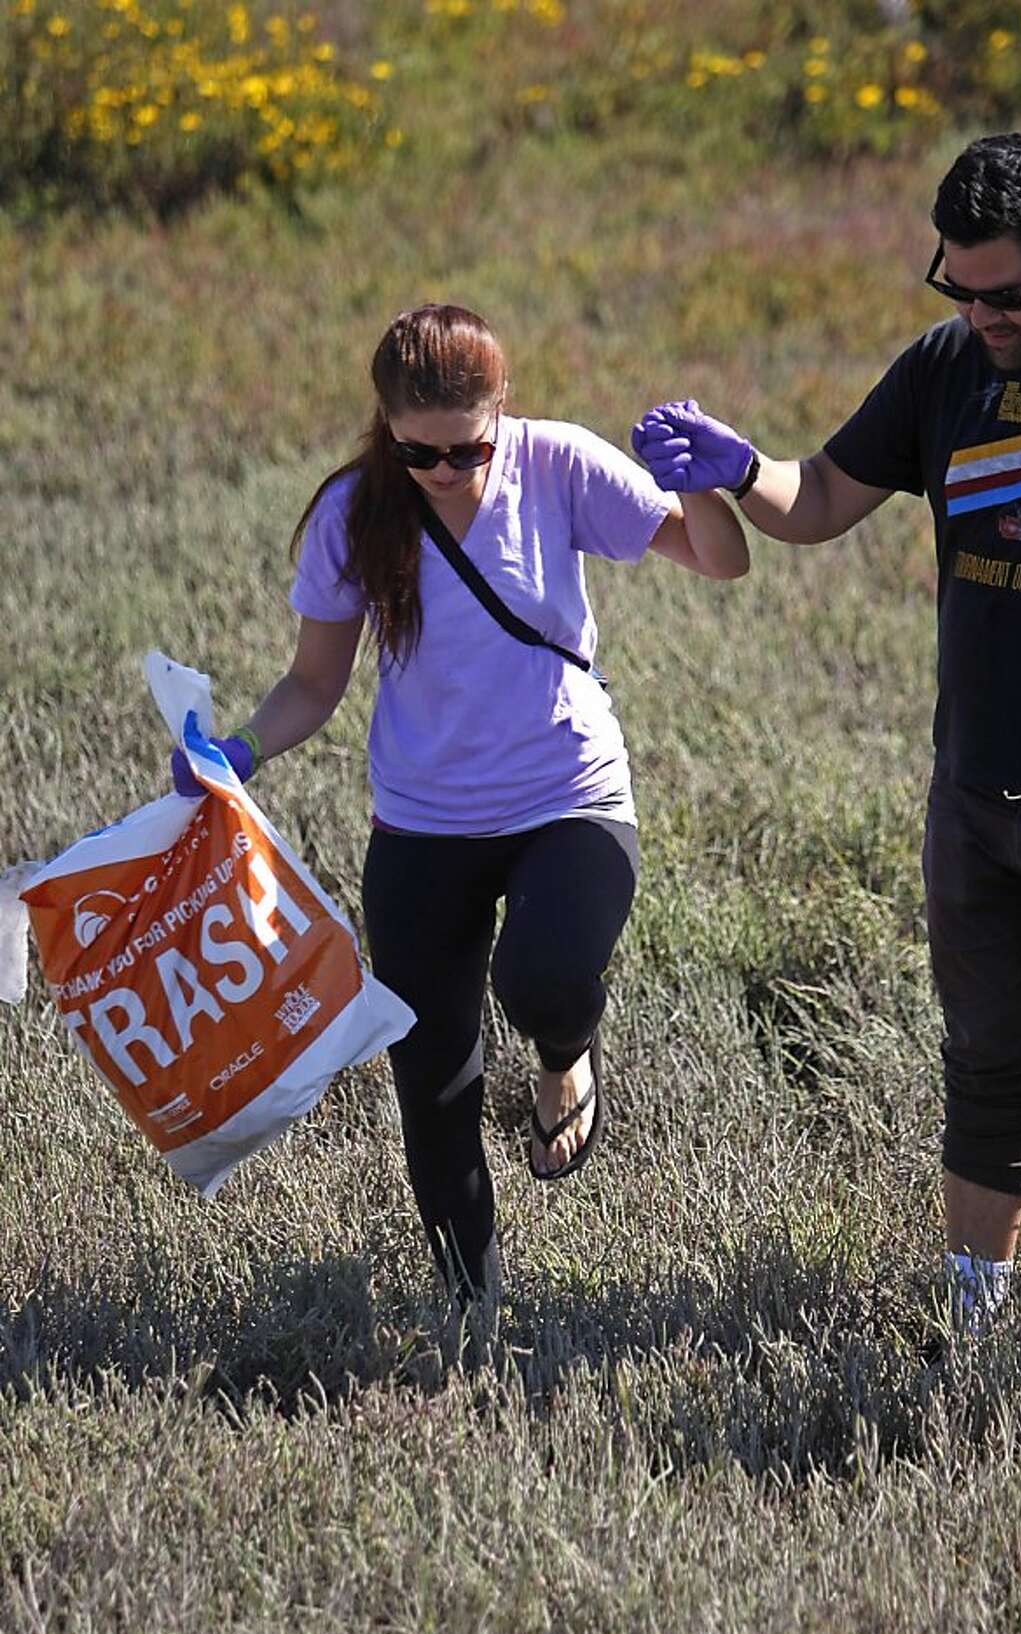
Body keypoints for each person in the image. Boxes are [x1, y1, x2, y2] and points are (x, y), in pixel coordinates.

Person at [632, 132, 1021, 1331]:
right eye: (958, 287)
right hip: (976, 799)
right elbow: (820, 499)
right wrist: (742, 468)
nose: (980, 315)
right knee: (987, 1062)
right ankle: (973, 1310)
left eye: (1005, 294)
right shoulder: (949, 366)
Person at [172, 302, 749, 1318]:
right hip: (423, 822)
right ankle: (473, 1311)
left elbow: (719, 558)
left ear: (502, 411)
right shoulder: (355, 511)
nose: (442, 471)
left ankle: (566, 1056)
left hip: (568, 795)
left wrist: (701, 482)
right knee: (434, 1084)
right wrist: (239, 752)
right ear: (386, 428)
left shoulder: (558, 465)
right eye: (417, 453)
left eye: (466, 449)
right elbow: (312, 683)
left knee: (546, 977)